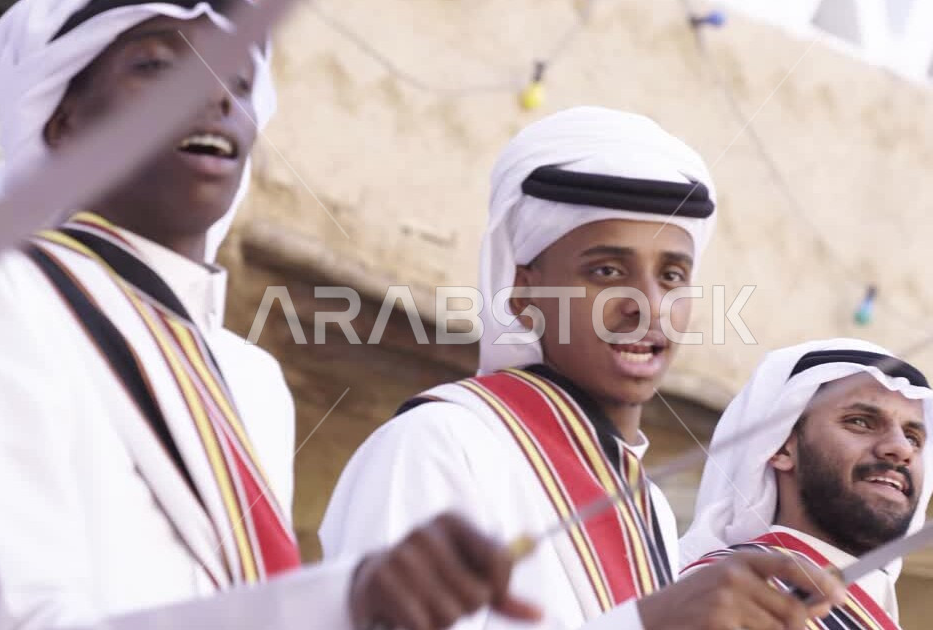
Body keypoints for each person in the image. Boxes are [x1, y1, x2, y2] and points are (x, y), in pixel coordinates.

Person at [0, 2, 539, 628]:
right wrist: (343, 600)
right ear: (63, 122)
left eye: (238, 82)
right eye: (158, 66)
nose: (216, 97)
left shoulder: (253, 382)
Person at [320, 106, 846, 629]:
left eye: (671, 275)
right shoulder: (437, 443)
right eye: (607, 271)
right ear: (524, 291)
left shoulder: (651, 508)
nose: (647, 303)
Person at [678, 338, 933, 629]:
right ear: (781, 448)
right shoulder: (728, 596)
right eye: (860, 422)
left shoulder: (871, 605)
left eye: (913, 438)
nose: (901, 449)